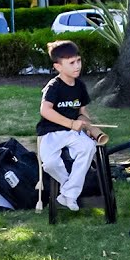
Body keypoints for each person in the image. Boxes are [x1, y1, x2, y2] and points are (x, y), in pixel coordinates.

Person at [37, 40, 102, 211]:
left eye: (78, 61)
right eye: (72, 63)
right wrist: (71, 123)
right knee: (50, 163)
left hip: (73, 133)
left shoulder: (80, 86)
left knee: (88, 147)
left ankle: (69, 194)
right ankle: (69, 188)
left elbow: (82, 111)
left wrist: (85, 122)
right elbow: (45, 111)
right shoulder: (54, 86)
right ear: (58, 67)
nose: (77, 66)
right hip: (51, 132)